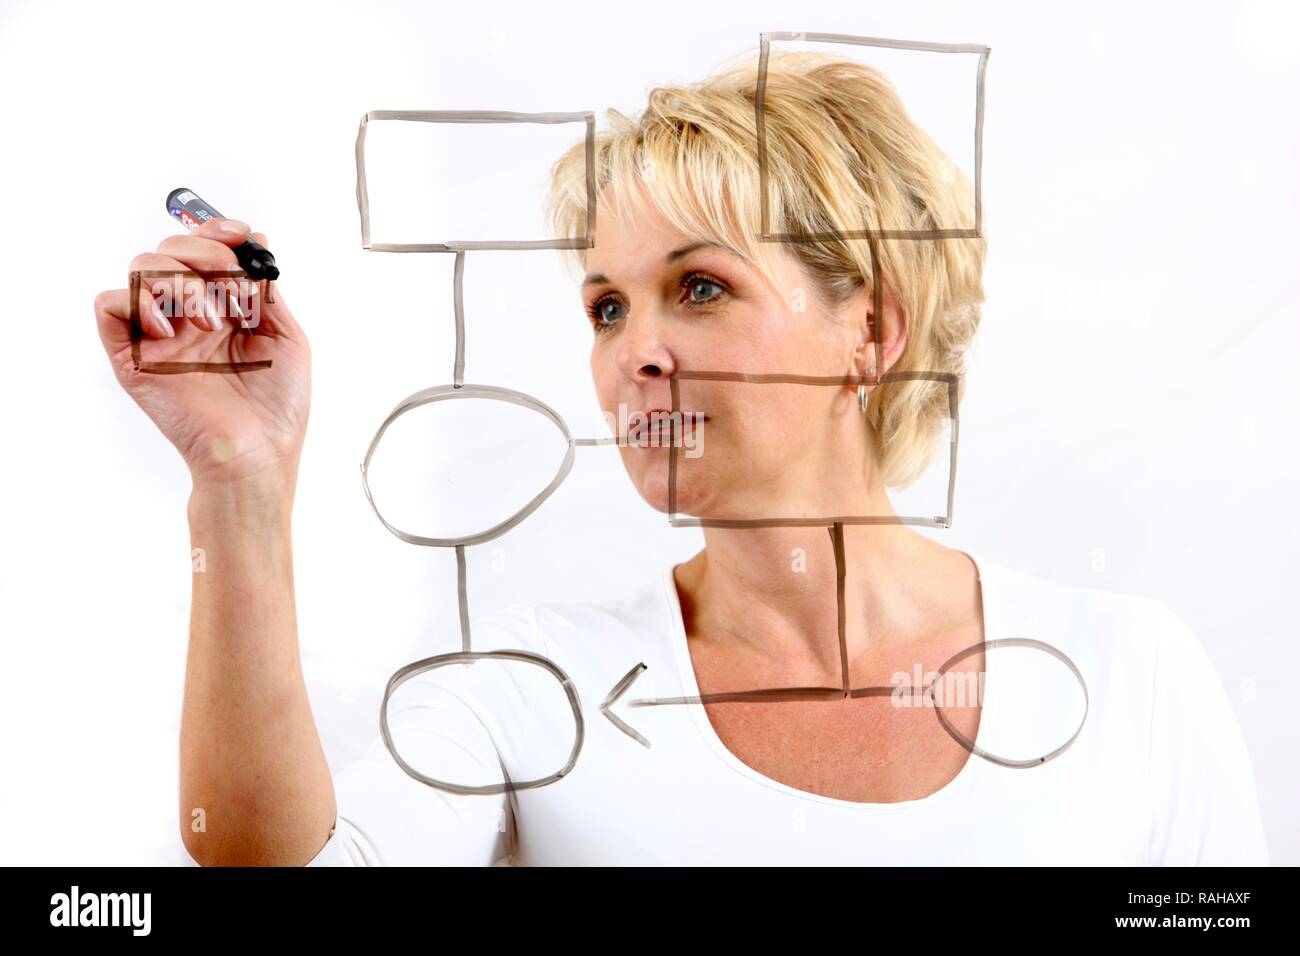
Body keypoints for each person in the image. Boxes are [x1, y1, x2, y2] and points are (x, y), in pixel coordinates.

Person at [93, 50, 1269, 866]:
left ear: (872, 327)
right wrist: (240, 481)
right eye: (605, 307)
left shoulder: (1128, 676)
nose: (631, 355)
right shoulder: (530, 682)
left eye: (698, 287)